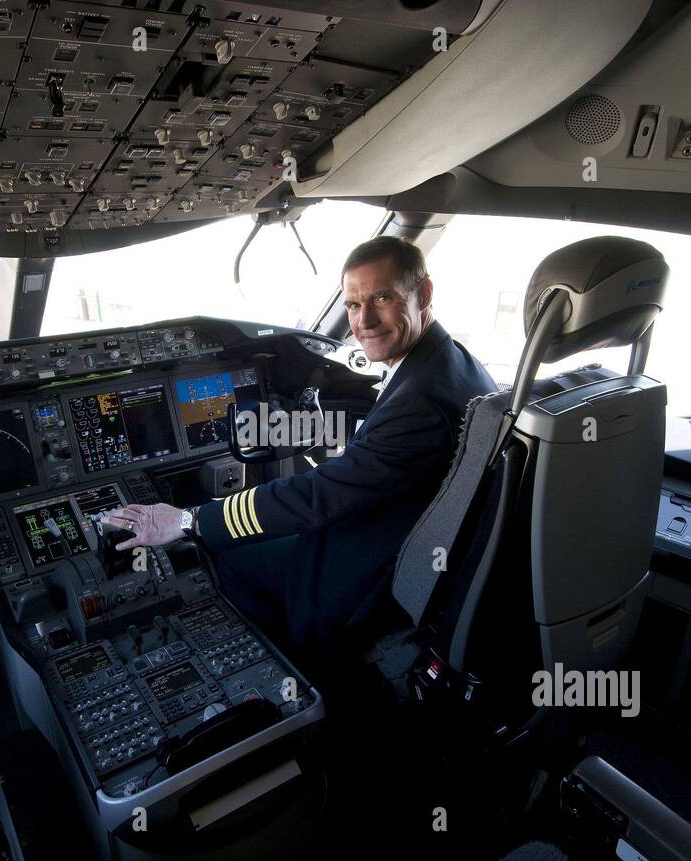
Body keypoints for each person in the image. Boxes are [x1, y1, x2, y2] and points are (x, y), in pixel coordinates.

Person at [102, 236, 496, 663]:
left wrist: (186, 518)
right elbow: (379, 460)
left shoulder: (420, 401)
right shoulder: (451, 361)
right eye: (352, 305)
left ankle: (297, 672)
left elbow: (316, 499)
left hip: (376, 571)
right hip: (415, 538)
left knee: (230, 556)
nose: (364, 321)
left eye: (382, 298)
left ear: (424, 294)